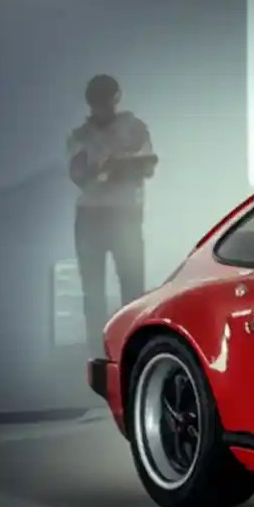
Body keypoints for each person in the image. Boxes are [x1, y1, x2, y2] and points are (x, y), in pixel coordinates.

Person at [67, 74, 157, 355]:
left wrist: (108, 169)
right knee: (95, 292)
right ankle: (99, 352)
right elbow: (79, 175)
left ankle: (129, 351)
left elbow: (147, 166)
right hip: (96, 217)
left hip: (121, 216)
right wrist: (120, 168)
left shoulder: (133, 128)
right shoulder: (81, 135)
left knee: (130, 288)